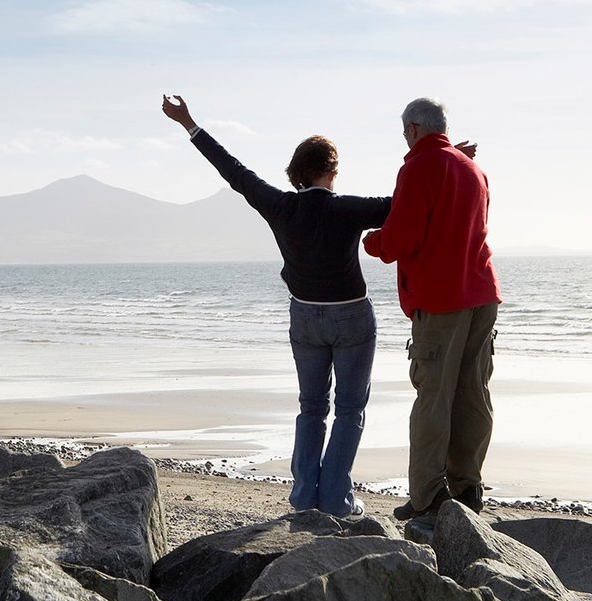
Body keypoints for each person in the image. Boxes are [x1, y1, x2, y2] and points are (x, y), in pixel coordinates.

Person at [161, 94, 388, 517]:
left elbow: (234, 172)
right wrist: (451, 163)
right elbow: (405, 205)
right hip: (352, 315)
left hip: (304, 316)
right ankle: (337, 500)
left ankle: (304, 498)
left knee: (312, 407)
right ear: (332, 172)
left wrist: (189, 124)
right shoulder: (348, 208)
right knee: (350, 408)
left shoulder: (279, 205)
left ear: (298, 171)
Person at [362, 97, 501, 521]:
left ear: (415, 128)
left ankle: (426, 495)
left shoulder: (419, 167)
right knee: (473, 394)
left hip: (442, 300)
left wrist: (372, 241)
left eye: (406, 132)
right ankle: (467, 487)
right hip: (481, 293)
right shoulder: (471, 169)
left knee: (433, 398)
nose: (405, 140)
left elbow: (402, 238)